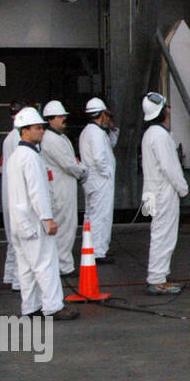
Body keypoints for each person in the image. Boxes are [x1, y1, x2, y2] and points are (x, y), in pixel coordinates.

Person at [7, 107, 79, 321]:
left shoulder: (15, 157)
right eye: (38, 128)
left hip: (19, 222)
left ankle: (30, 307)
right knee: (46, 264)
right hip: (34, 221)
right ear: (25, 131)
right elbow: (37, 191)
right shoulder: (31, 157)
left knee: (26, 267)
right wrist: (47, 218)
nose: (41, 132)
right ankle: (53, 306)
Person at [141, 92, 188, 294]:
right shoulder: (160, 136)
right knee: (164, 235)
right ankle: (157, 278)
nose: (169, 109)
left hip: (153, 191)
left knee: (159, 233)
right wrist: (183, 188)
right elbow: (170, 167)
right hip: (163, 192)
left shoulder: (151, 134)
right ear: (162, 112)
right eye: (166, 107)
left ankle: (159, 275)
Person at [40, 101, 85, 277]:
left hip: (65, 187)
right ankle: (63, 266)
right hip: (60, 189)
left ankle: (62, 264)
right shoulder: (52, 140)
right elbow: (69, 164)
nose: (64, 119)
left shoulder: (60, 137)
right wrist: (83, 170)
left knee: (68, 225)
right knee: (65, 226)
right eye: (60, 116)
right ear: (50, 120)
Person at [79, 97, 118, 264]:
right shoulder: (95, 133)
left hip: (93, 180)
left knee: (92, 215)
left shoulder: (92, 131)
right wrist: (106, 172)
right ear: (101, 114)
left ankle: (91, 248)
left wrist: (113, 130)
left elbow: (110, 145)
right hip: (100, 180)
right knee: (101, 216)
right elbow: (99, 157)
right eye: (106, 115)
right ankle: (98, 252)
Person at [0, 99, 27, 293]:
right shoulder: (18, 139)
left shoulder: (9, 137)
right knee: (20, 239)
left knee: (12, 237)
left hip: (9, 191)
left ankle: (10, 274)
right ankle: (18, 280)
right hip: (18, 193)